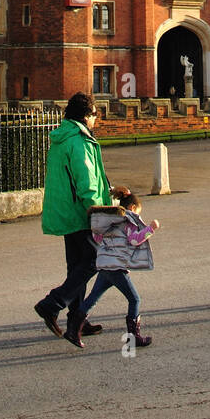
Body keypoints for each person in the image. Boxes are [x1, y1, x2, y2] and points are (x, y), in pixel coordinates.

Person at [34, 93, 112, 340]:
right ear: (87, 115)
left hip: (65, 210)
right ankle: (52, 303)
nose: (96, 121)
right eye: (95, 115)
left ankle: (77, 319)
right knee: (95, 260)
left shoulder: (61, 136)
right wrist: (99, 211)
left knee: (77, 265)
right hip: (82, 212)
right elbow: (86, 180)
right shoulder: (78, 140)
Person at [69, 187, 159, 349]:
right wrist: (150, 228)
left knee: (92, 298)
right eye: (138, 211)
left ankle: (73, 330)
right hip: (117, 267)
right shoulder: (128, 220)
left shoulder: (109, 221)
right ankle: (134, 337)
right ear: (132, 208)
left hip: (104, 265)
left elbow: (97, 237)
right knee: (134, 299)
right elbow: (134, 240)